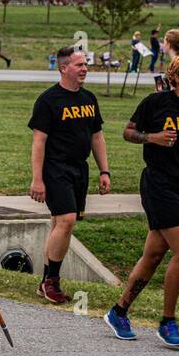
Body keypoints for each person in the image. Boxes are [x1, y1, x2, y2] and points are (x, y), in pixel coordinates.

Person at [104, 44, 179, 348]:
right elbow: (128, 132)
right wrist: (152, 138)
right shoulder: (156, 104)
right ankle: (168, 322)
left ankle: (119, 312)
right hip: (158, 183)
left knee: (154, 254)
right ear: (177, 77)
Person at [28, 47, 110, 303]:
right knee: (66, 220)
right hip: (56, 168)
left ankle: (44, 281)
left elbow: (97, 136)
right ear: (64, 68)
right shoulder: (48, 100)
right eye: (79, 65)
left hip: (79, 168)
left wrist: (104, 170)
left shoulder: (89, 99)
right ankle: (52, 280)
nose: (85, 69)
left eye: (86, 64)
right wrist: (37, 178)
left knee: (58, 224)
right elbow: (39, 141)